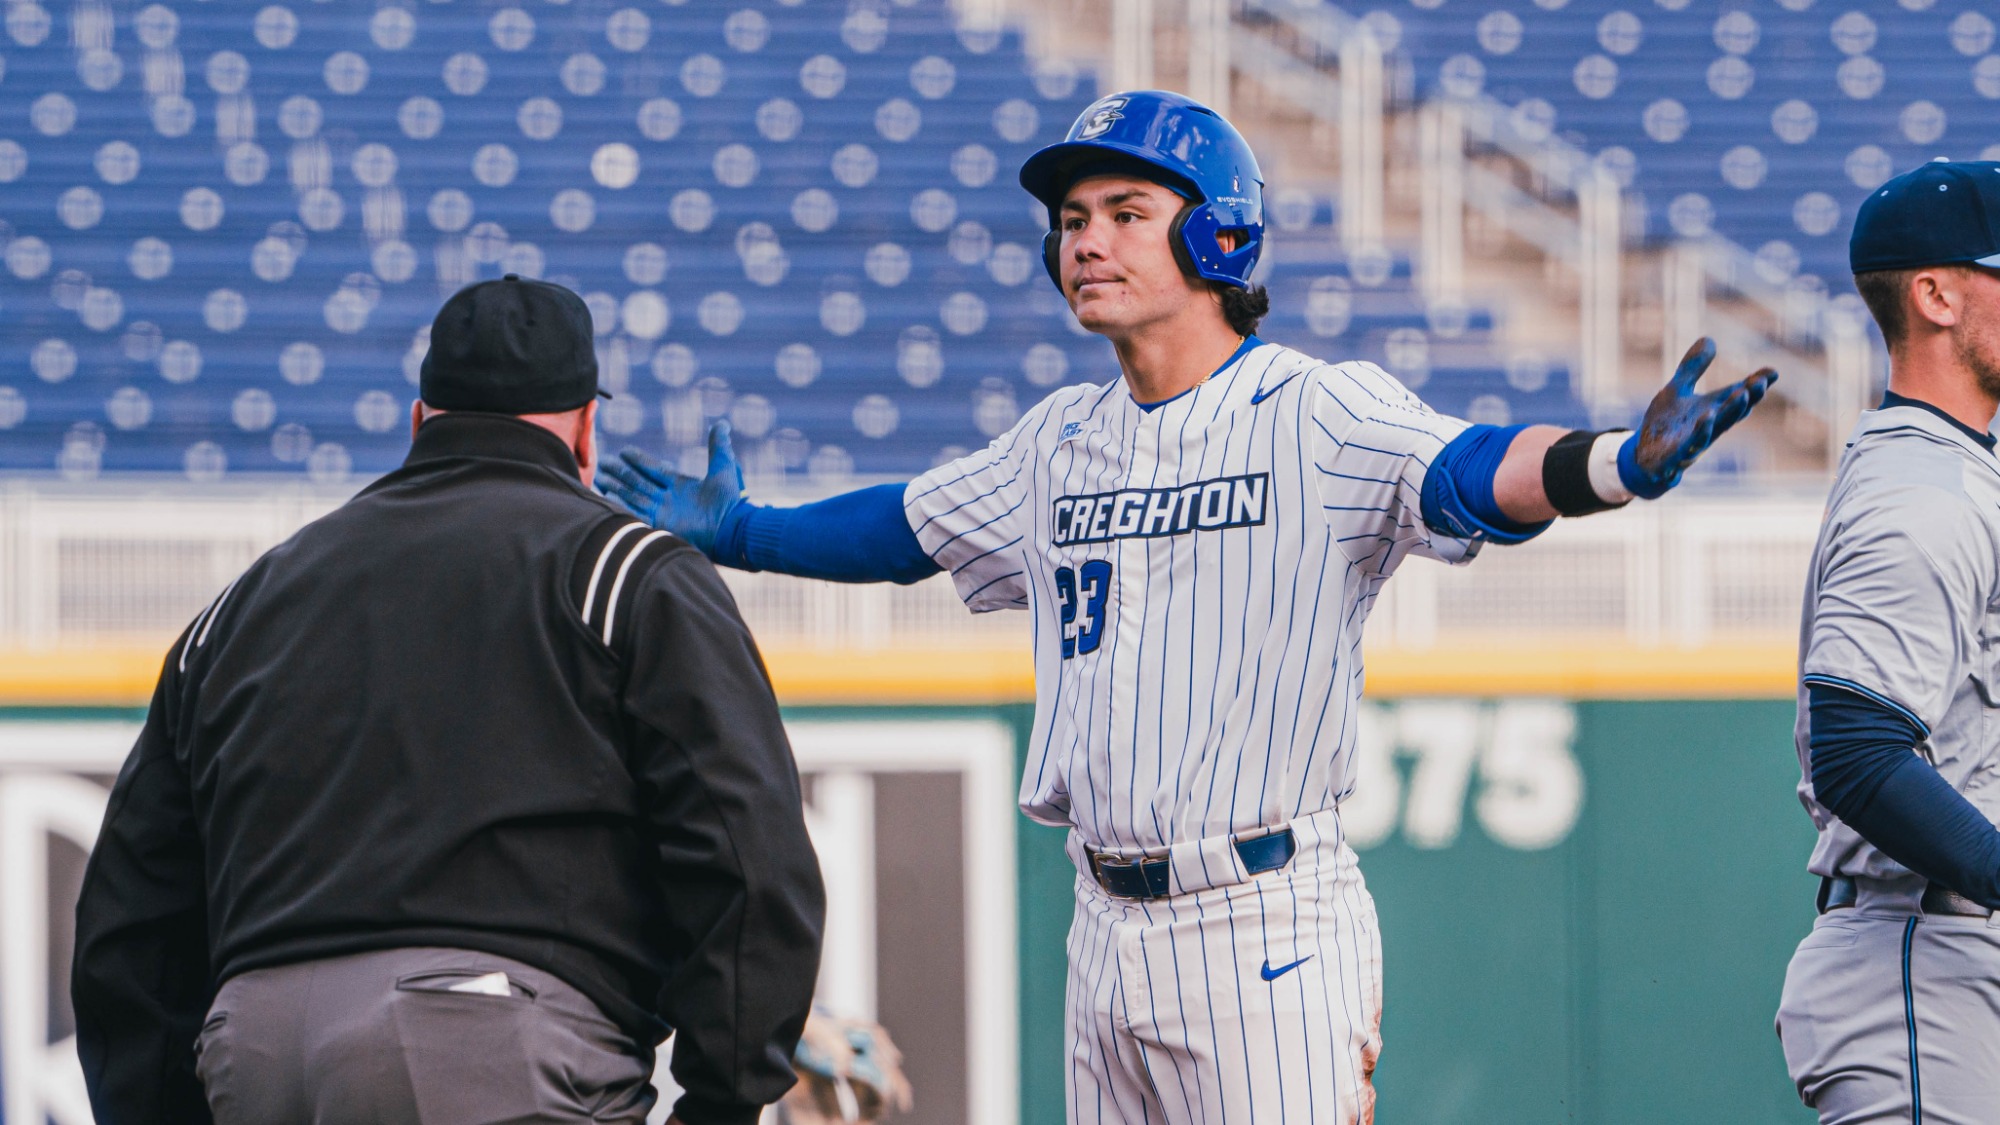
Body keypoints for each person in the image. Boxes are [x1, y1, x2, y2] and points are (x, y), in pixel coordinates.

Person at [601, 91, 1773, 1124]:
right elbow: (904, 527)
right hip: (1104, 920)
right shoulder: (1058, 440)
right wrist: (744, 533)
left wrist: (1614, 462)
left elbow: (1470, 471)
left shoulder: (1315, 411)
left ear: (1218, 230)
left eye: (1123, 212)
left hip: (1260, 921)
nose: (1085, 241)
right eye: (1070, 221)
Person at [72, 275, 826, 1125]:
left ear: (418, 419)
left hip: (257, 1052)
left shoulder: (247, 601)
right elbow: (748, 853)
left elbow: (127, 917)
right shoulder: (626, 571)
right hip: (487, 1037)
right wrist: (725, 1101)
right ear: (585, 429)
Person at [1776, 160, 2000, 1124]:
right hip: (1924, 969)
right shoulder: (1923, 492)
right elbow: (1859, 754)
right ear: (1937, 293)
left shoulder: (1956, 474)